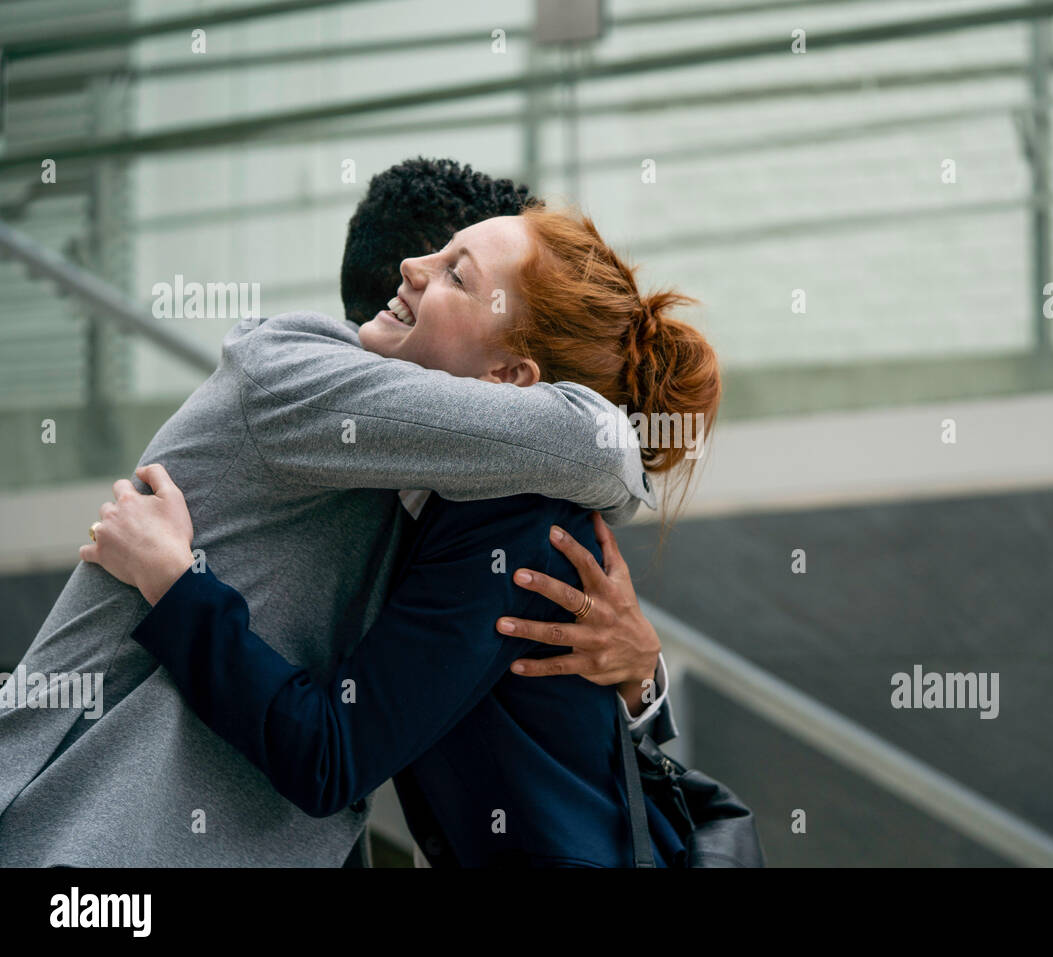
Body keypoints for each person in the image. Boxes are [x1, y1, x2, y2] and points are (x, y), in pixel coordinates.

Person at [0, 159, 670, 867]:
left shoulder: (471, 501)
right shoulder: (286, 368)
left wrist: (643, 680)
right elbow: (600, 448)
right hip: (78, 846)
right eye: (436, 258)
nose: (414, 270)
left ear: (509, 380)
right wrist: (178, 586)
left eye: (456, 274)